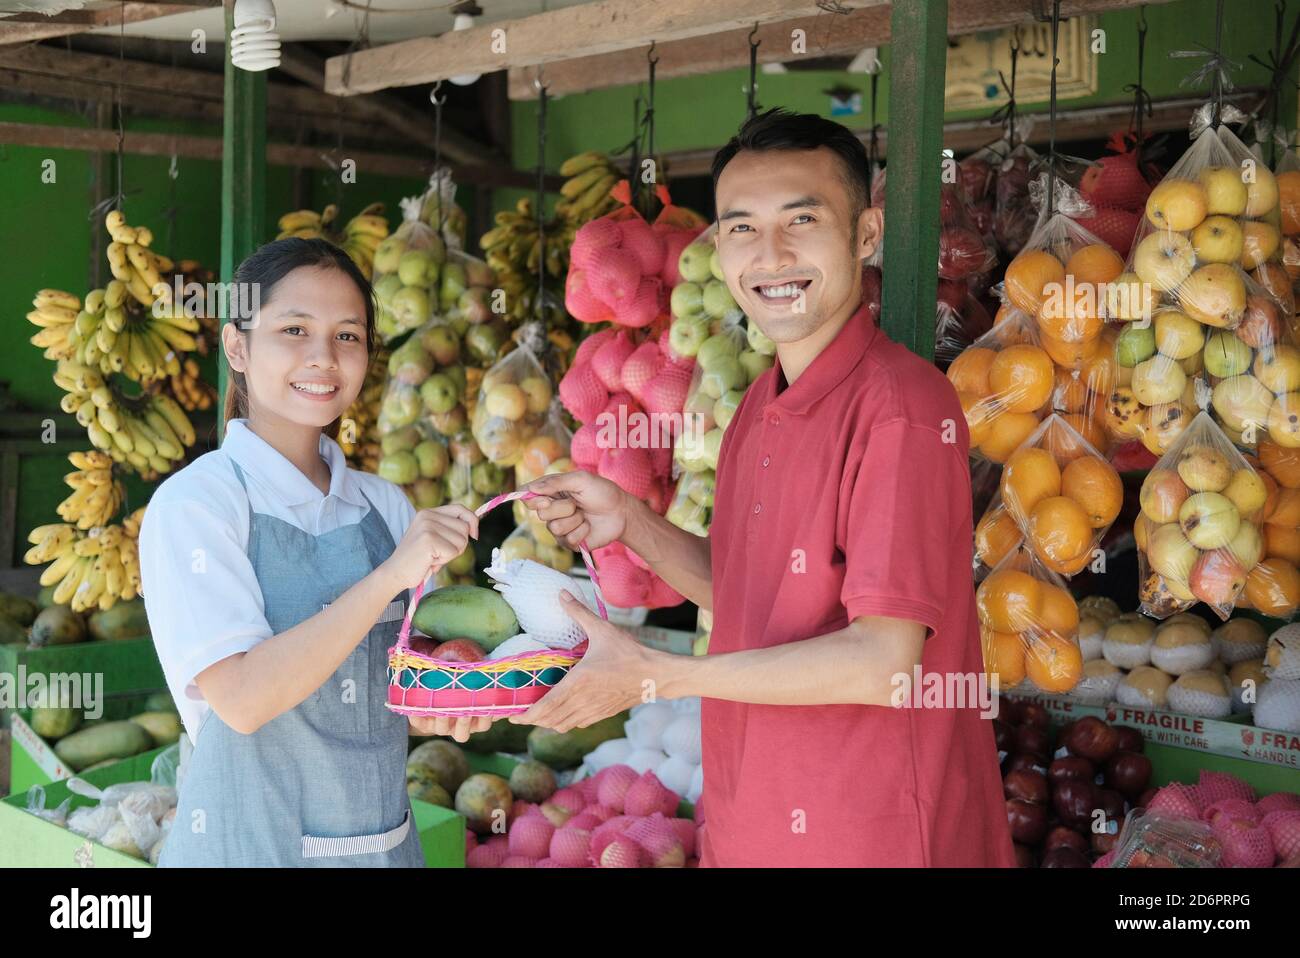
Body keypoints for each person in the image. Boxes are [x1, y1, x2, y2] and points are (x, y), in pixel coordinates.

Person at [517, 109, 1015, 867]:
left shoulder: (904, 408)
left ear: (867, 234)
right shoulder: (759, 402)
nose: (770, 254)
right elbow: (747, 592)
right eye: (741, 228)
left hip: (872, 833)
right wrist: (629, 520)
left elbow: (882, 659)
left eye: (802, 219)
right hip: (754, 816)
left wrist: (659, 675)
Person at [139, 238, 488, 867]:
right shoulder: (197, 505)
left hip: (383, 848)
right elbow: (243, 698)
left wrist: (449, 704)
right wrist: (388, 577)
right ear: (237, 346)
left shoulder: (386, 507)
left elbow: (404, 689)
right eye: (294, 329)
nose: (323, 358)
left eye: (348, 336)